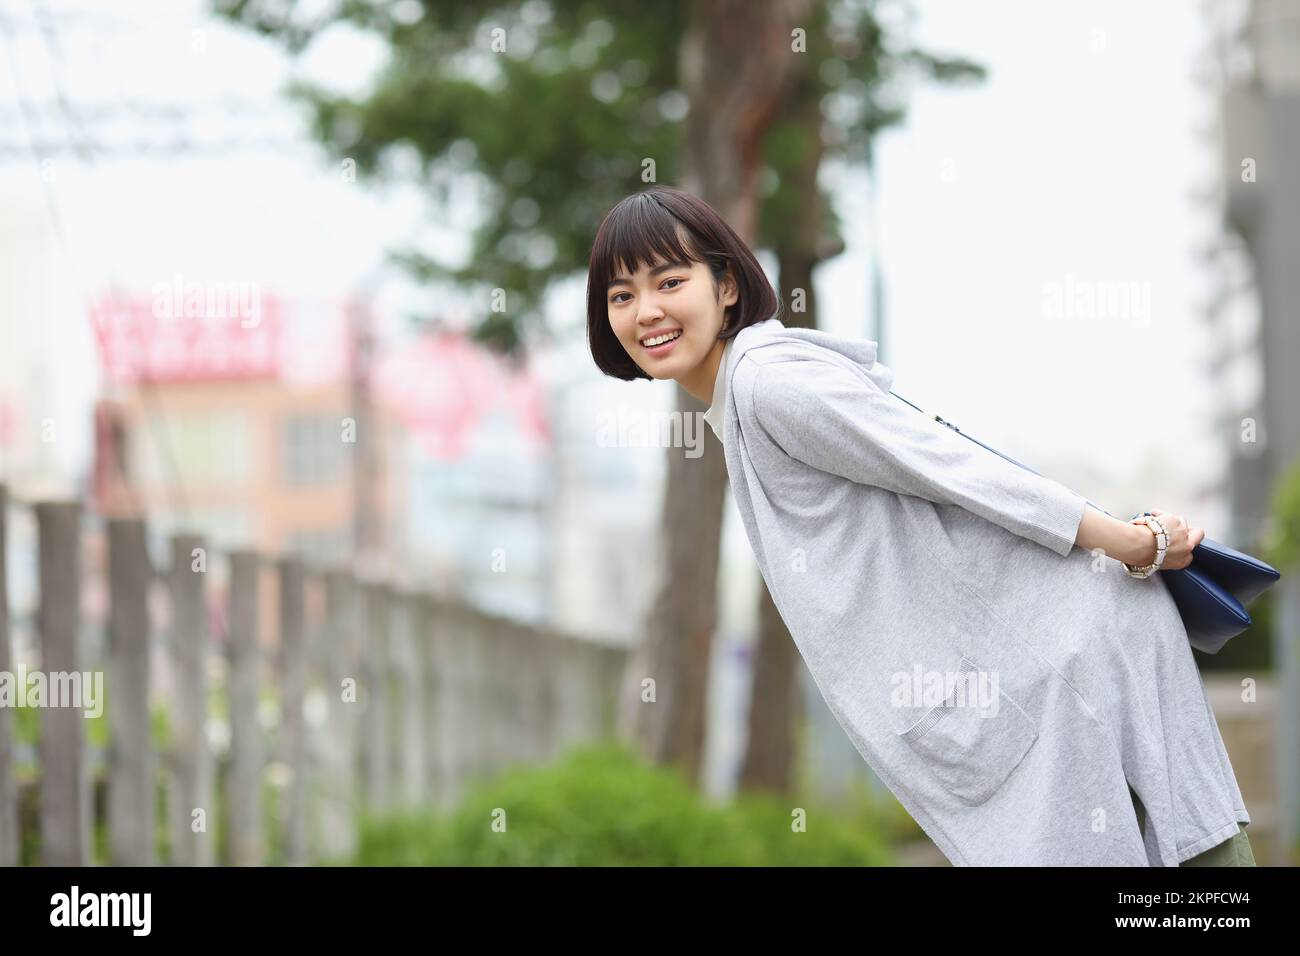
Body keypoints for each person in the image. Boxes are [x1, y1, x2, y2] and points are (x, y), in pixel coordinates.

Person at [585, 184, 1254, 866]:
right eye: (621, 295)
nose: (647, 312)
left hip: (1072, 662)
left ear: (727, 286)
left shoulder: (767, 385)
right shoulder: (746, 402)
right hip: (1048, 667)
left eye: (670, 281)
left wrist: (1131, 543)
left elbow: (948, 463)